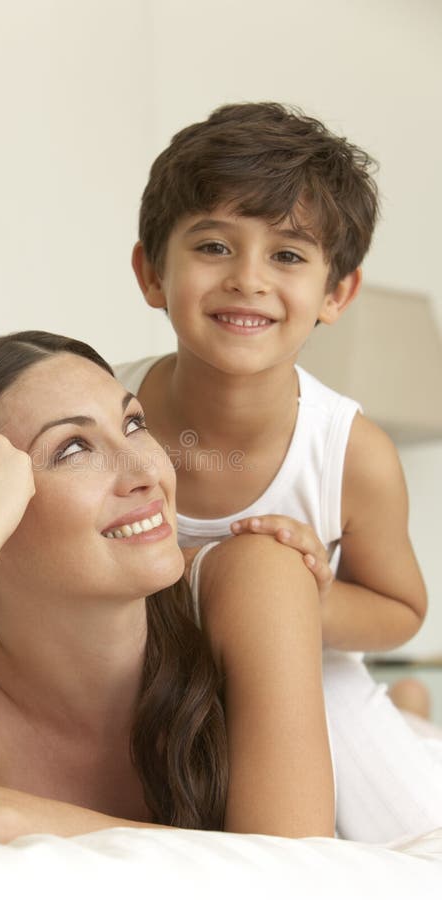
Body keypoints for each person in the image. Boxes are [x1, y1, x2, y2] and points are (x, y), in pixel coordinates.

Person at [0, 330, 334, 842]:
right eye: (73, 448)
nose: (146, 471)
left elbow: (292, 869)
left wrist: (6, 816)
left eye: (134, 424)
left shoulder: (255, 580)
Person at [114, 102, 442, 843]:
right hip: (147, 687)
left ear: (337, 295)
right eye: (213, 246)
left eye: (288, 256)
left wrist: (306, 596)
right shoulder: (102, 415)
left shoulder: (352, 454)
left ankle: (411, 719)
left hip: (308, 686)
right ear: (151, 272)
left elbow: (400, 608)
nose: (248, 280)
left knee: (416, 833)